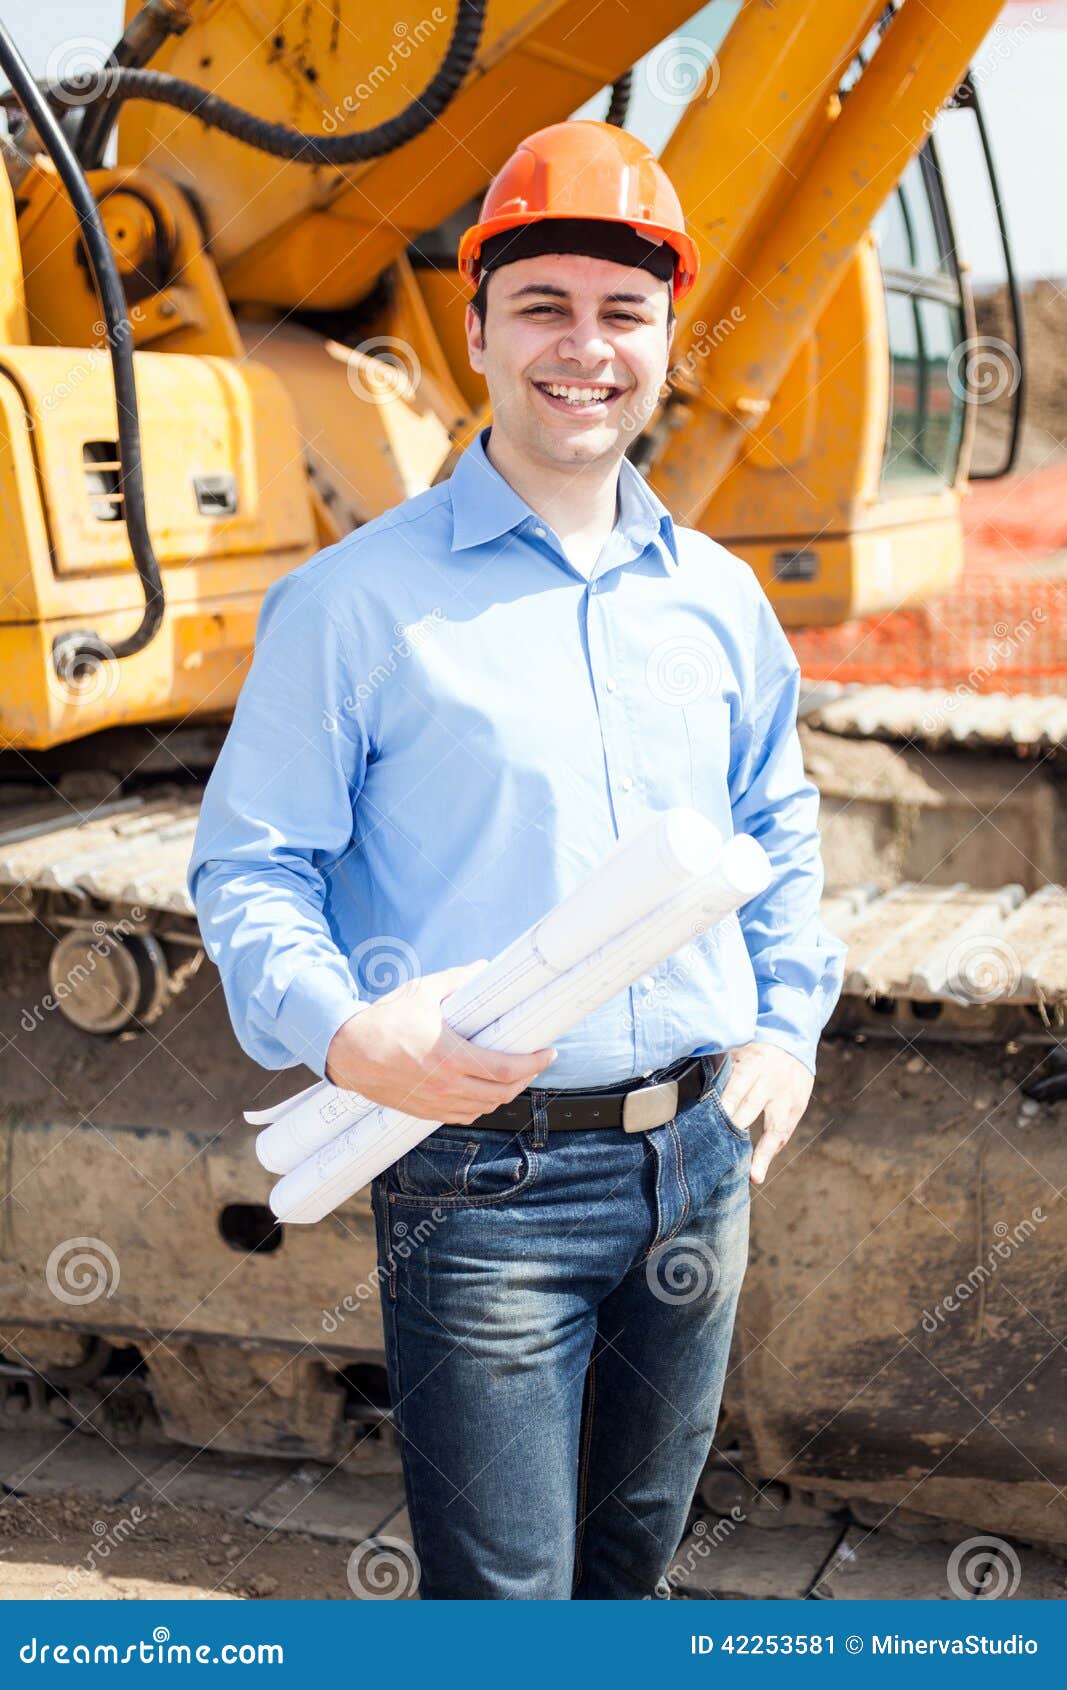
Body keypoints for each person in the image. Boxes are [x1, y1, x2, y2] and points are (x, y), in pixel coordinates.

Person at [187, 119, 847, 1601]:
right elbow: (250, 869)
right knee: (502, 1606)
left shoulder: (722, 601)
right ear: (475, 326)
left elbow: (779, 823)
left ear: (667, 337)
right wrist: (354, 1034)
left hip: (697, 1165)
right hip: (481, 1174)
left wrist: (787, 1029)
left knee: (631, 1578)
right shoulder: (351, 606)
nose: (584, 347)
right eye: (543, 305)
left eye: (623, 313)